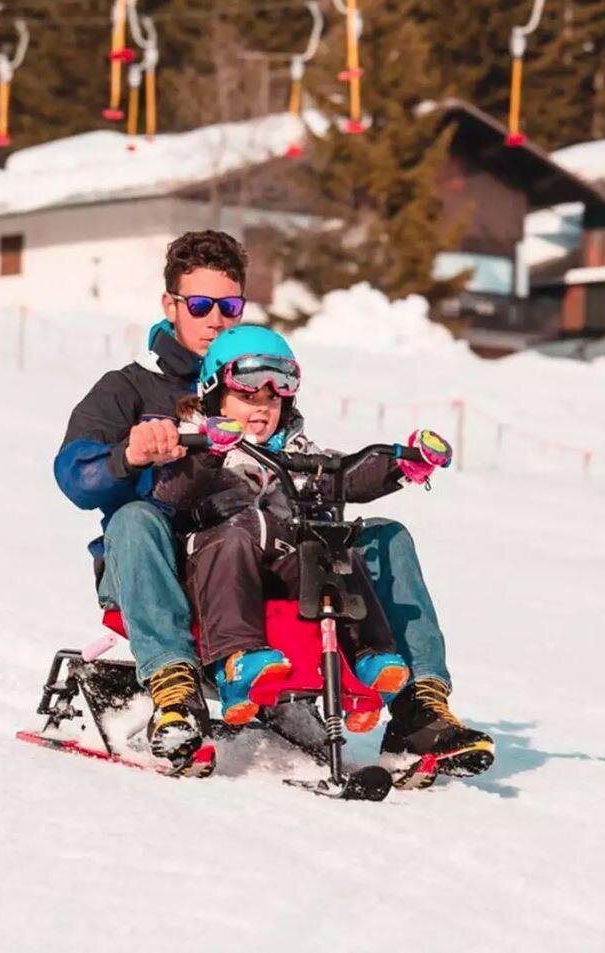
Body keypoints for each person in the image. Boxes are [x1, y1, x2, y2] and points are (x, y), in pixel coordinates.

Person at [54, 230, 494, 777]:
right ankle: (175, 689)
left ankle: (418, 708)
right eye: (200, 305)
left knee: (381, 536)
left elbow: (315, 467)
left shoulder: (262, 375)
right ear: (170, 305)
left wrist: (392, 466)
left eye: (229, 305)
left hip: (262, 550)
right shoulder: (128, 390)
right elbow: (75, 478)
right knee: (136, 515)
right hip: (163, 562)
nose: (216, 318)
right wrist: (130, 455)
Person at [152, 325, 422, 735]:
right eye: (247, 396)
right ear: (213, 395)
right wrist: (208, 451)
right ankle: (236, 661)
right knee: (237, 534)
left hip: (277, 563)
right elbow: (172, 490)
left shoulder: (296, 452)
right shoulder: (195, 441)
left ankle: (367, 660)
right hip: (210, 563)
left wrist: (398, 468)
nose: (261, 408)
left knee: (334, 550)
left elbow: (343, 475)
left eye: (273, 398)